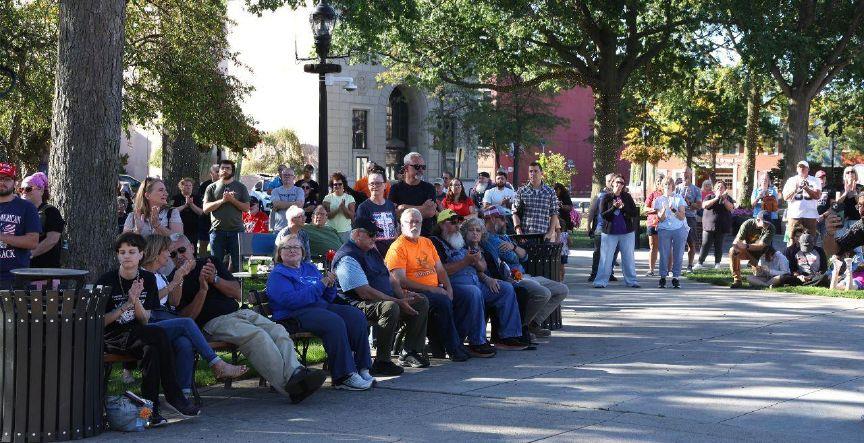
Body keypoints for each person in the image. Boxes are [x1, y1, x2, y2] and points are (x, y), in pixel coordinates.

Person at [169, 233, 326, 403]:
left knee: (278, 330)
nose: (179, 256)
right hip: (214, 322)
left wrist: (214, 279)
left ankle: (296, 374)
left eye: (182, 250)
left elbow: (237, 293)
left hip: (240, 313)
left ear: (192, 248)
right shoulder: (175, 279)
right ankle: (291, 389)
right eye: (173, 254)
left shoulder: (210, 262)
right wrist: (202, 290)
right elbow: (188, 318)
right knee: (258, 337)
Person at [97, 232, 199, 425]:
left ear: (141, 255)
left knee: (151, 350)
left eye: (132, 252)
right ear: (117, 255)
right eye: (122, 252)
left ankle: (149, 413)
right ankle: (173, 395)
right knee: (158, 334)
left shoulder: (147, 279)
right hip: (112, 336)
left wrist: (135, 301)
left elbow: (144, 320)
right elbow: (100, 322)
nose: (126, 256)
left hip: (140, 334)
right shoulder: (107, 280)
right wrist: (126, 304)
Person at [140, 234, 248, 393]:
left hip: (165, 318)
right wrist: (174, 282)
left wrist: (180, 278)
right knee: (186, 323)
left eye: (179, 251)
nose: (171, 256)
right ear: (156, 253)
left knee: (185, 343)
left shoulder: (160, 275)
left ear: (191, 247)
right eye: (169, 252)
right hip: (151, 320)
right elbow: (150, 301)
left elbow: (174, 303)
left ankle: (183, 394)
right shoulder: (141, 275)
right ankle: (217, 364)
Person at [266, 234, 374, 390]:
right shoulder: (278, 274)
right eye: (287, 247)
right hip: (294, 314)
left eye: (296, 247)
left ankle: (362, 367)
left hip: (319, 308)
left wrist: (329, 286)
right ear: (279, 253)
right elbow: (292, 301)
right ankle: (344, 376)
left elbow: (327, 297)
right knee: (332, 321)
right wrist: (320, 286)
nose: (292, 250)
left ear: (302, 251)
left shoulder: (309, 268)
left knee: (355, 315)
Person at [333, 219, 430, 372]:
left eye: (376, 234)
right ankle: (382, 361)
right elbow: (364, 292)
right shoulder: (347, 257)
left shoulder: (372, 250)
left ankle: (410, 352)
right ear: (358, 234)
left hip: (380, 299)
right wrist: (397, 300)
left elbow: (390, 278)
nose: (375, 238)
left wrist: (404, 295)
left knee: (420, 301)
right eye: (371, 234)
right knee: (390, 307)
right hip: (356, 304)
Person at [385, 208, 472, 362]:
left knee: (467, 296)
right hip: (413, 294)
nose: (414, 225)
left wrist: (449, 288)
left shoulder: (427, 242)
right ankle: (453, 347)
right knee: (442, 301)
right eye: (410, 222)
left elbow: (440, 269)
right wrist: (434, 289)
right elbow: (400, 280)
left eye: (417, 221)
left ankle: (446, 342)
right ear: (402, 225)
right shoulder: (397, 247)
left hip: (435, 290)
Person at [433, 213, 528, 351]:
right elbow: (441, 270)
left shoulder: (461, 242)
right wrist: (465, 262)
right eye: (452, 222)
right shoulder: (436, 243)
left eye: (458, 222)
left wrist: (477, 261)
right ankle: (477, 341)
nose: (456, 225)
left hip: (476, 282)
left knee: (506, 289)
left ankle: (508, 336)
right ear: (441, 224)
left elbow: (483, 267)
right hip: (456, 284)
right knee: (474, 292)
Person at [481, 206, 568, 338]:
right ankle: (521, 327)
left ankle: (533, 324)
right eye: (503, 219)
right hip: (512, 278)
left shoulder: (504, 236)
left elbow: (525, 256)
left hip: (524, 275)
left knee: (562, 289)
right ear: (492, 219)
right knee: (543, 293)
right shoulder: (490, 239)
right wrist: (516, 251)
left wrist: (514, 247)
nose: (506, 222)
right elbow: (515, 257)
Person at [202, 160, 250, 273]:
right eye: (223, 168)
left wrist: (232, 200)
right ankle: (216, 288)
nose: (225, 170)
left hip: (237, 231)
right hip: (217, 231)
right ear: (219, 171)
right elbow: (205, 209)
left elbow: (246, 208)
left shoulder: (241, 187)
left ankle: (237, 288)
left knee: (237, 264)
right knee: (216, 264)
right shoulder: (211, 187)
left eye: (228, 168)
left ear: (232, 171)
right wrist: (222, 201)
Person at [593, 175, 639, 288]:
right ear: (612, 183)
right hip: (610, 233)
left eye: (622, 183)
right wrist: (614, 207)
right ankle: (600, 281)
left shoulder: (627, 197)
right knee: (606, 258)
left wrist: (623, 208)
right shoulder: (606, 197)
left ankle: (631, 281)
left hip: (627, 232)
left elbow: (634, 213)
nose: (620, 185)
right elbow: (603, 215)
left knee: (628, 257)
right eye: (618, 182)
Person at [0, 163, 40, 289]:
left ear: (15, 182)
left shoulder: (27, 207)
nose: (2, 182)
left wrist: (1, 237)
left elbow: (33, 242)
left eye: (7, 179)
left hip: (14, 278)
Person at [20, 172, 64, 269]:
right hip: (22, 271)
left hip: (45, 272)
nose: (24, 192)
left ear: (41, 190)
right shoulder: (20, 213)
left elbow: (52, 239)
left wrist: (30, 255)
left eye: (28, 189)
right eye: (21, 189)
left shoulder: (51, 212)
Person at [389, 152, 438, 236]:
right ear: (406, 168)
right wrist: (423, 208)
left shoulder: (429, 188)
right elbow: (393, 214)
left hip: (424, 236)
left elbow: (430, 212)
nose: (421, 170)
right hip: (403, 237)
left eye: (423, 167)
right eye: (417, 166)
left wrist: (404, 207)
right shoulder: (395, 189)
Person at [654, 176, 689, 289]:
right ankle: (663, 277)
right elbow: (661, 219)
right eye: (665, 185)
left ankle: (676, 277)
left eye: (669, 185)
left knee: (678, 254)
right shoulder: (659, 200)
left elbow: (682, 216)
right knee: (664, 254)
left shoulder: (679, 198)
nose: (667, 187)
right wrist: (664, 210)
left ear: (673, 186)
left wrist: (673, 209)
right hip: (664, 229)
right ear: (662, 187)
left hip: (679, 228)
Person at [512, 162, 559, 243]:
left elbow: (554, 213)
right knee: (526, 256)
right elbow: (514, 212)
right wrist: (518, 230)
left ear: (542, 173)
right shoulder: (521, 191)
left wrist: (550, 232)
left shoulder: (550, 192)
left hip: (543, 235)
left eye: (536, 171)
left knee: (543, 256)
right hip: (525, 235)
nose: (533, 173)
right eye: (530, 171)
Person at [353, 171, 399, 254]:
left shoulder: (390, 205)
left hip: (392, 255)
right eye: (371, 183)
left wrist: (395, 252)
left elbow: (395, 230)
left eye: (378, 183)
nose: (374, 186)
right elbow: (363, 237)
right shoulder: (363, 208)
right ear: (368, 186)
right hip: (373, 256)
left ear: (385, 185)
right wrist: (378, 258)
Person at [729, 211, 777, 289]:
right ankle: (737, 279)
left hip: (762, 253)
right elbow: (737, 241)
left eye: (768, 223)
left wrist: (746, 246)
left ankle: (766, 280)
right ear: (758, 220)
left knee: (759, 279)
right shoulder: (748, 224)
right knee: (733, 251)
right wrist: (737, 247)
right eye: (765, 223)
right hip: (747, 250)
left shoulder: (771, 228)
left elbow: (761, 246)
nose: (767, 225)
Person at [694, 180, 735, 270]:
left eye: (722, 187)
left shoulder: (728, 198)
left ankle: (717, 264)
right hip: (709, 226)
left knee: (719, 246)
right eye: (718, 187)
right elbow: (704, 205)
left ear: (725, 189)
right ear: (714, 189)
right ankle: (700, 263)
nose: (720, 188)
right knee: (705, 245)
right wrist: (716, 198)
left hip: (722, 226)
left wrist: (724, 199)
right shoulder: (709, 196)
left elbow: (731, 208)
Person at [588, 173, 619, 282]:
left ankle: (609, 272)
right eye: (608, 180)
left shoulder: (620, 195)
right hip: (601, 227)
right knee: (598, 251)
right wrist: (588, 225)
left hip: (615, 228)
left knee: (614, 251)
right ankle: (594, 273)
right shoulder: (600, 195)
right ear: (605, 182)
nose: (611, 182)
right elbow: (592, 210)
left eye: (612, 180)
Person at [782, 160, 821, 240]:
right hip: (794, 215)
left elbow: (817, 196)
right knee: (792, 241)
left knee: (810, 242)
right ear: (797, 169)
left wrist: (806, 188)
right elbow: (785, 197)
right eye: (800, 167)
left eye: (804, 167)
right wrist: (795, 189)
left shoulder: (815, 180)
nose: (801, 169)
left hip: (810, 216)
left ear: (808, 169)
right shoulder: (791, 180)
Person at [676, 167, 702, 272]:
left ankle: (690, 265)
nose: (685, 175)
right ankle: (677, 264)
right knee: (677, 242)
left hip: (690, 218)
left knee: (691, 242)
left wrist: (690, 203)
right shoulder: (677, 188)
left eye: (687, 173)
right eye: (683, 173)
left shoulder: (696, 189)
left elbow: (699, 206)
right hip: (678, 217)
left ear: (691, 174)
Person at [171, 178, 203, 255]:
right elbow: (172, 211)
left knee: (192, 251)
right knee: (179, 251)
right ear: (181, 187)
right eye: (186, 185)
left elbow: (201, 212)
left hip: (193, 229)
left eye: (190, 185)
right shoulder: (176, 198)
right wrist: (185, 206)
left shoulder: (197, 198)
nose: (188, 187)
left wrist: (191, 204)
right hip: (178, 229)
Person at [323, 172, 356, 243]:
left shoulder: (350, 198)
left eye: (340, 184)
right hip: (330, 231)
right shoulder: (327, 198)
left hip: (345, 232)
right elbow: (327, 216)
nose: (337, 186)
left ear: (343, 185)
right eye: (335, 184)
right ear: (332, 186)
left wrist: (343, 208)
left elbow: (351, 216)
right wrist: (338, 209)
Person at [270, 166, 305, 233]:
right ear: (281, 177)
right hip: (279, 228)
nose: (287, 177)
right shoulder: (275, 191)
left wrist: (281, 204)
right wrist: (294, 204)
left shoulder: (299, 190)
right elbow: (276, 204)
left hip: (295, 228)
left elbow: (300, 204)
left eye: (289, 175)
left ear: (294, 177)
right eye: (285, 175)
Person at [197, 164, 219, 255]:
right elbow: (201, 203)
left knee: (218, 246)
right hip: (205, 219)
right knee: (203, 244)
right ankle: (202, 263)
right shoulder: (205, 186)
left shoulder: (226, 185)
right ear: (211, 173)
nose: (219, 173)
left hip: (218, 219)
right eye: (217, 172)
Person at [644, 176, 664, 277]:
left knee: (665, 247)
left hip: (664, 223)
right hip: (652, 222)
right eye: (657, 181)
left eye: (660, 181)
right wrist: (654, 209)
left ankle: (666, 270)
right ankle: (651, 269)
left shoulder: (667, 195)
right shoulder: (652, 194)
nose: (658, 183)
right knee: (653, 246)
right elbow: (645, 208)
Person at [554, 183, 573, 273]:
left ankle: (561, 278)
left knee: (562, 261)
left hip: (563, 222)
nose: (556, 192)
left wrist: (562, 206)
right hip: (555, 224)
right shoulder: (551, 196)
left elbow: (570, 208)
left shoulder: (565, 197)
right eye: (555, 190)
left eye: (558, 190)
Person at [816, 169, 836, 240]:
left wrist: (823, 216)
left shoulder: (830, 189)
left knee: (825, 240)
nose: (822, 178)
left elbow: (833, 206)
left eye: (823, 176)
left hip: (826, 218)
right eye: (820, 177)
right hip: (813, 218)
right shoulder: (812, 189)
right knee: (812, 240)